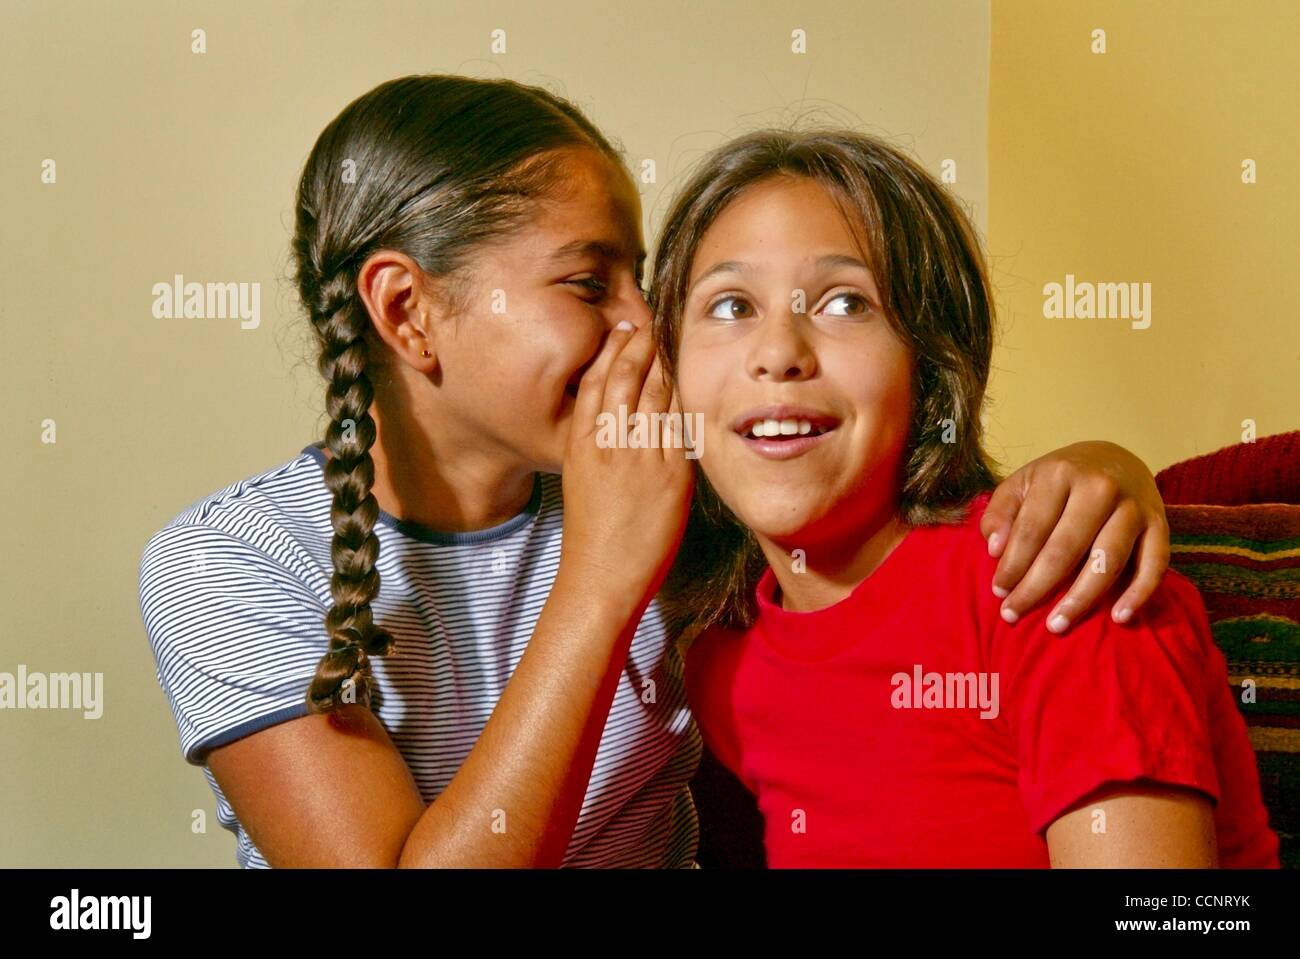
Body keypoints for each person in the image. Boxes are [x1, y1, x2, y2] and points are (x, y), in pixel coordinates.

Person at [139, 75, 1177, 868]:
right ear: (407, 311)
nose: (643, 322)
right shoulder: (228, 560)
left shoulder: (692, 493)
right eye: (590, 282)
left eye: (646, 279)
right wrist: (599, 575)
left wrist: (1102, 469)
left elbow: (872, 512)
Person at [654, 128, 1281, 867]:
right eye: (729, 306)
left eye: (845, 302)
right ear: (667, 369)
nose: (778, 352)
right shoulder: (720, 665)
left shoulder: (1054, 577)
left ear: (932, 361)